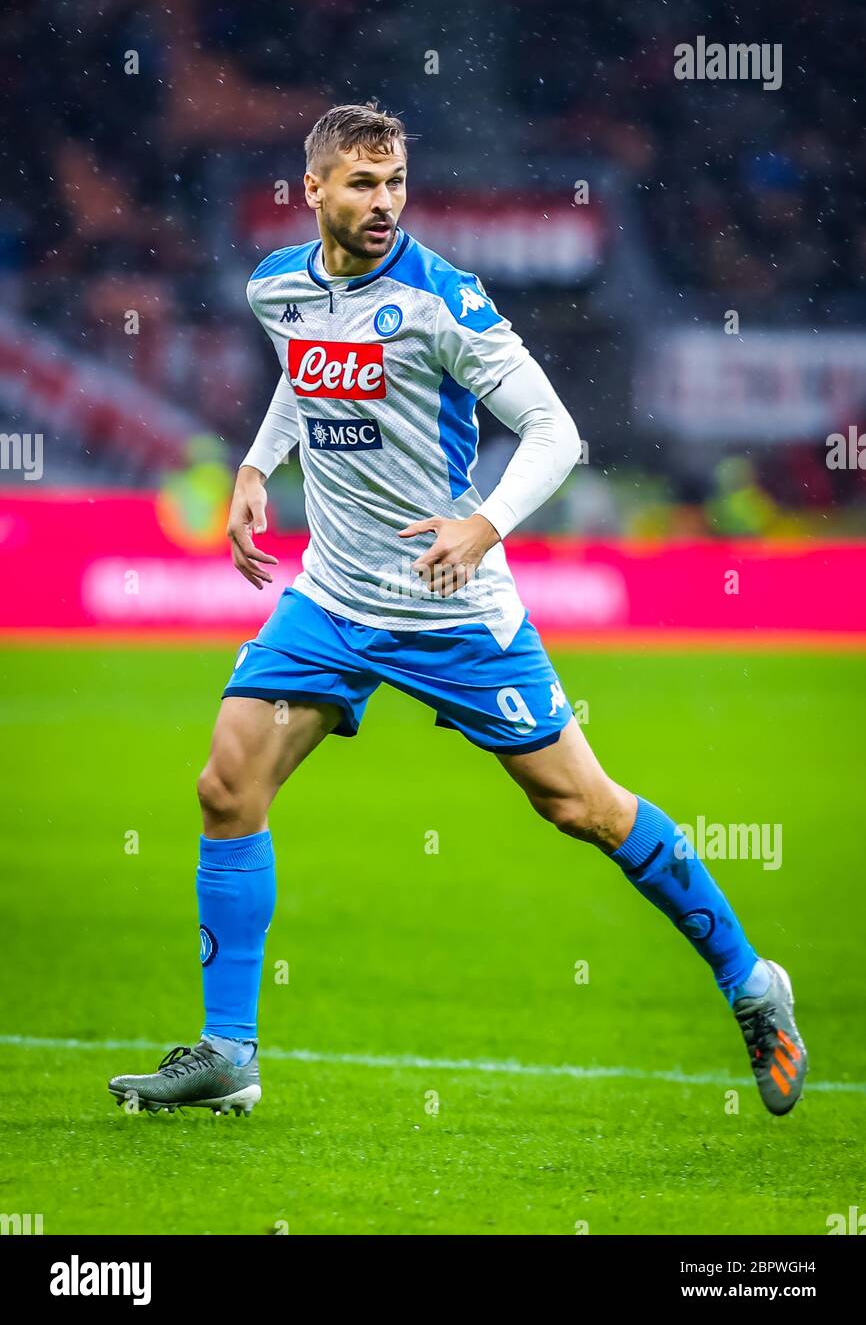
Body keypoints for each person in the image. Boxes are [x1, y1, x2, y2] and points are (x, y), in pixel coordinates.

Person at [108, 103, 807, 1118]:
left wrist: (480, 524)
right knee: (226, 784)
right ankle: (228, 1051)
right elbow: (304, 375)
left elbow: (553, 434)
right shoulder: (277, 288)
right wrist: (260, 464)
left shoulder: (443, 299)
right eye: (360, 183)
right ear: (311, 191)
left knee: (581, 805)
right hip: (334, 594)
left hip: (449, 601)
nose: (382, 202)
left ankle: (751, 983)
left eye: (393, 183)